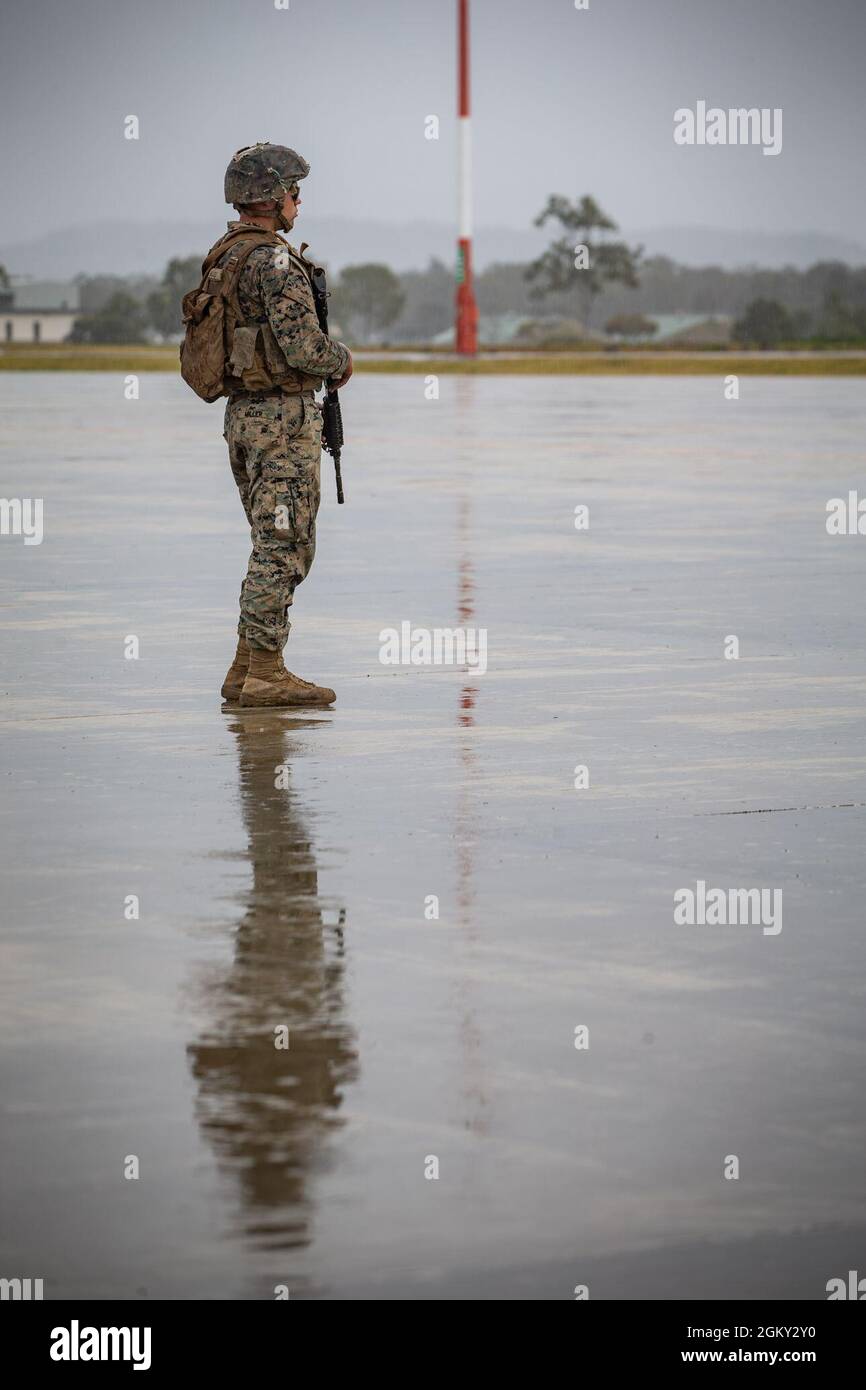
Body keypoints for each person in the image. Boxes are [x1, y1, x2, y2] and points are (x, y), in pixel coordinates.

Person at [213, 142, 353, 707]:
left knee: (267, 540)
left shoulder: (225, 256)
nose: (299, 201)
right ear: (273, 197)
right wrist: (342, 360)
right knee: (282, 545)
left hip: (244, 418)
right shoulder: (272, 261)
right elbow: (302, 348)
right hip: (280, 421)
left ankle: (245, 668)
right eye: (294, 191)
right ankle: (266, 673)